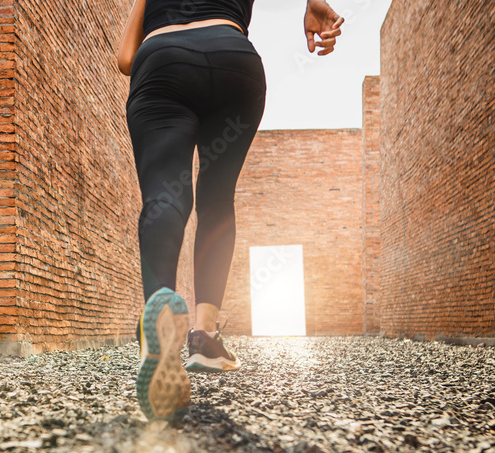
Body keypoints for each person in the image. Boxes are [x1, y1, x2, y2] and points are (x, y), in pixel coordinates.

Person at [116, 0, 344, 421]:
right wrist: (313, 3)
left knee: (165, 195)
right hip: (233, 60)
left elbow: (125, 59)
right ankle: (204, 335)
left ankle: (160, 321)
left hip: (162, 61)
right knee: (217, 198)